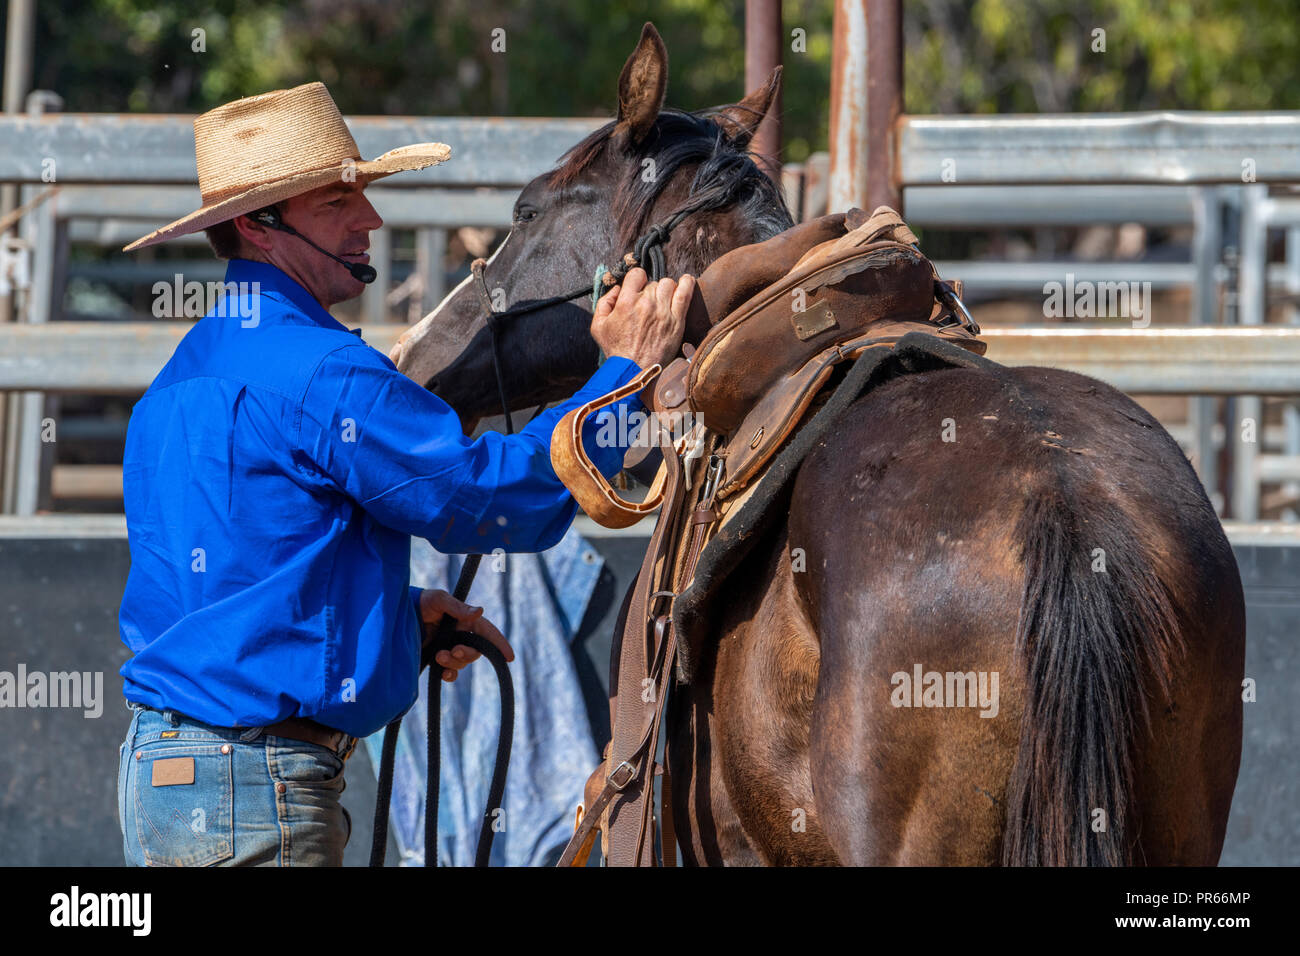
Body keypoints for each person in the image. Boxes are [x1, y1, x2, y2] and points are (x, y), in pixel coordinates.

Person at [115, 81, 693, 866]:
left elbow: (235, 575)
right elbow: (494, 497)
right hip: (252, 786)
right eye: (334, 203)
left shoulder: (177, 381)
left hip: (177, 777)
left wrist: (389, 620)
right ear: (260, 224)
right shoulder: (322, 373)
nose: (370, 221)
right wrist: (626, 373)